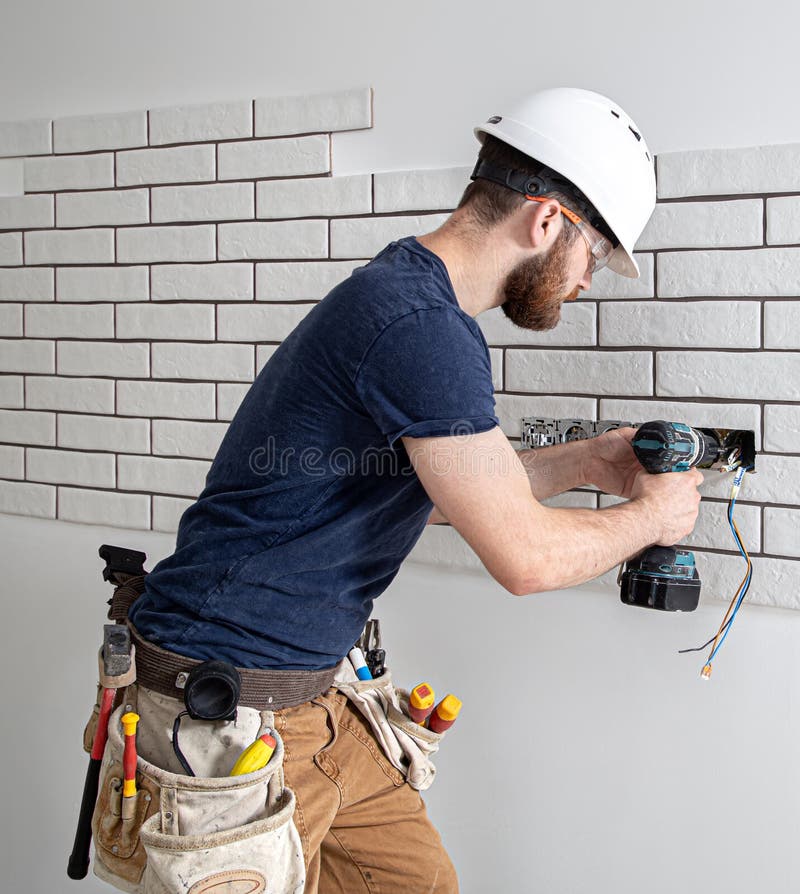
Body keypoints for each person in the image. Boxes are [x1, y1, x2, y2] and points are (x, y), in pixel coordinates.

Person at [122, 87, 702, 893]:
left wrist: (583, 462)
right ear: (546, 221)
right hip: (223, 703)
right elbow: (524, 559)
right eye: (594, 255)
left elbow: (446, 487)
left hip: (313, 694)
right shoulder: (421, 327)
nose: (587, 282)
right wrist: (653, 517)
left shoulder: (411, 299)